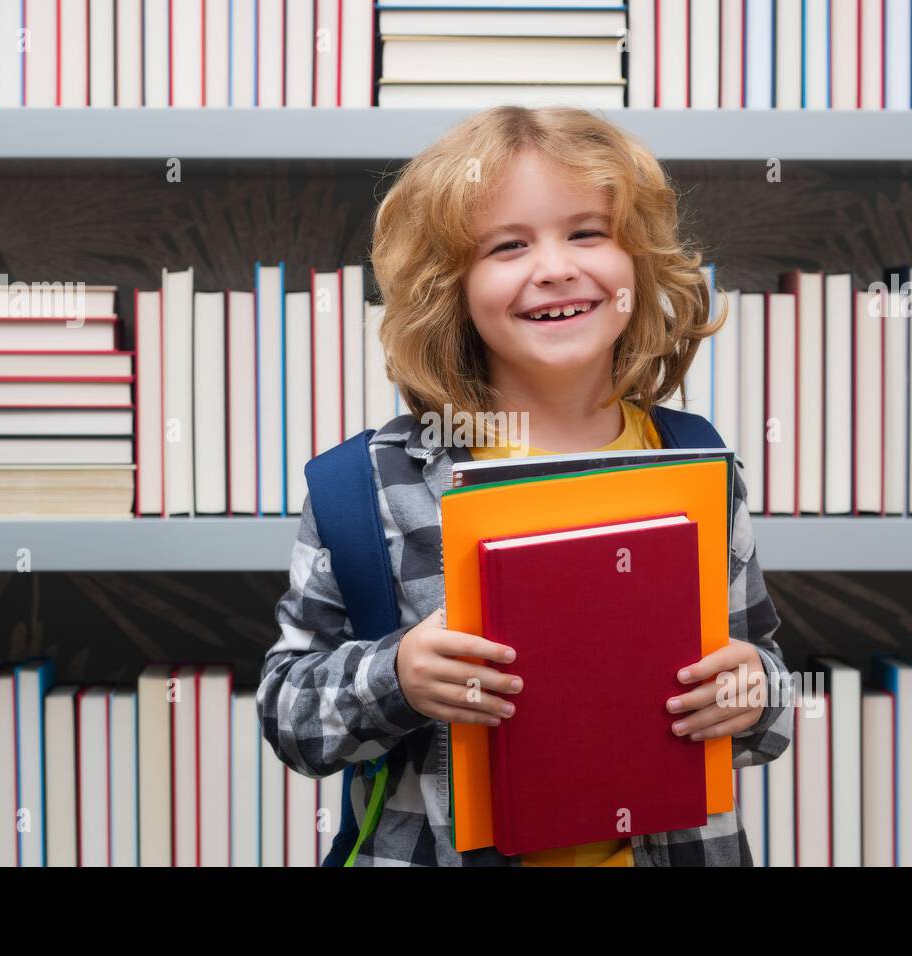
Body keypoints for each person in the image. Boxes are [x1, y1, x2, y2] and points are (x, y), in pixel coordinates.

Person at [259, 105, 793, 866]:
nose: (555, 267)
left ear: (637, 265)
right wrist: (397, 677)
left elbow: (764, 680)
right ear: (452, 289)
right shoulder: (362, 487)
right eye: (508, 246)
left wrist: (752, 695)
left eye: (587, 232)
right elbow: (289, 717)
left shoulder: (702, 464)